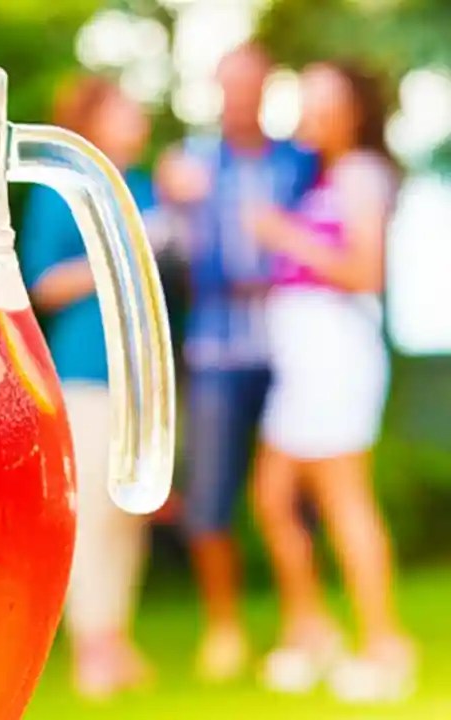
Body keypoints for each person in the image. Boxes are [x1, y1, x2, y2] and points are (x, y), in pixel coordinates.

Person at [246, 61, 412, 702]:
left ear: (355, 112)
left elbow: (365, 272)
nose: (309, 112)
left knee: (345, 500)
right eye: (305, 99)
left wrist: (281, 234)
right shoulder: (319, 179)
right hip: (303, 364)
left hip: (335, 362)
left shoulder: (360, 174)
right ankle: (311, 628)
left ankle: (383, 644)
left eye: (323, 100)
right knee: (272, 497)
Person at [155, 43, 318, 681]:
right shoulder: (189, 164)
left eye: (253, 85)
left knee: (296, 499)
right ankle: (224, 627)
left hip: (289, 344)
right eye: (231, 86)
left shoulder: (300, 163)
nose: (241, 97)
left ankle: (302, 623)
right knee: (212, 496)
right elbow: (162, 239)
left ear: (268, 88)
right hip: (217, 348)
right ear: (217, 90)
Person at [19, 75, 156, 700]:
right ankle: (92, 649)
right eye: (124, 106)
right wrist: (121, 253)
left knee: (133, 512)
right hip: (83, 369)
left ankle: (117, 637)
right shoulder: (62, 193)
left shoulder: (150, 189)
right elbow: (42, 285)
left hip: (145, 376)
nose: (139, 115)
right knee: (94, 515)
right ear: (94, 120)